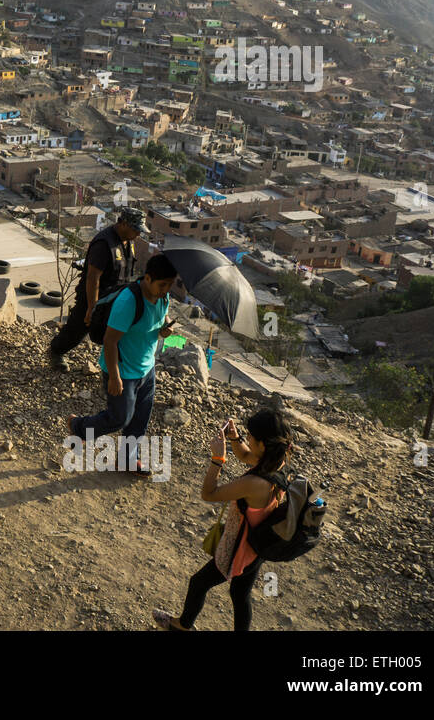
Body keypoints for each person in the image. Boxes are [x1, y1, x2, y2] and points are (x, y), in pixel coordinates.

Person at [153, 410, 294, 631]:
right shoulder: (278, 462)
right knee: (240, 595)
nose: (247, 439)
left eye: (251, 437)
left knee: (198, 583)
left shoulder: (254, 484)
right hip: (258, 546)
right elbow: (247, 456)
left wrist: (217, 459)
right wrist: (234, 438)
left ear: (263, 444)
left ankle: (181, 626)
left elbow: (209, 494)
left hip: (238, 549)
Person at [65, 252, 177, 474]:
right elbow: (110, 341)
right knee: (120, 417)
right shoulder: (128, 302)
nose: (166, 290)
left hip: (146, 367)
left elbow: (158, 320)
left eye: (170, 285)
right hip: (123, 369)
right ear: (148, 279)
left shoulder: (163, 298)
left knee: (140, 419)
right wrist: (114, 376)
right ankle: (78, 426)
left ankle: (127, 459)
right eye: (162, 284)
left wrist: (166, 329)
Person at [48, 207, 148, 371]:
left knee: (118, 332)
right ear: (123, 224)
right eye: (135, 229)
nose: (138, 234)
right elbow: (93, 278)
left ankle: (116, 368)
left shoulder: (128, 241)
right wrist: (91, 307)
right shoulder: (104, 244)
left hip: (117, 297)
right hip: (95, 296)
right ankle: (56, 351)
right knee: (79, 328)